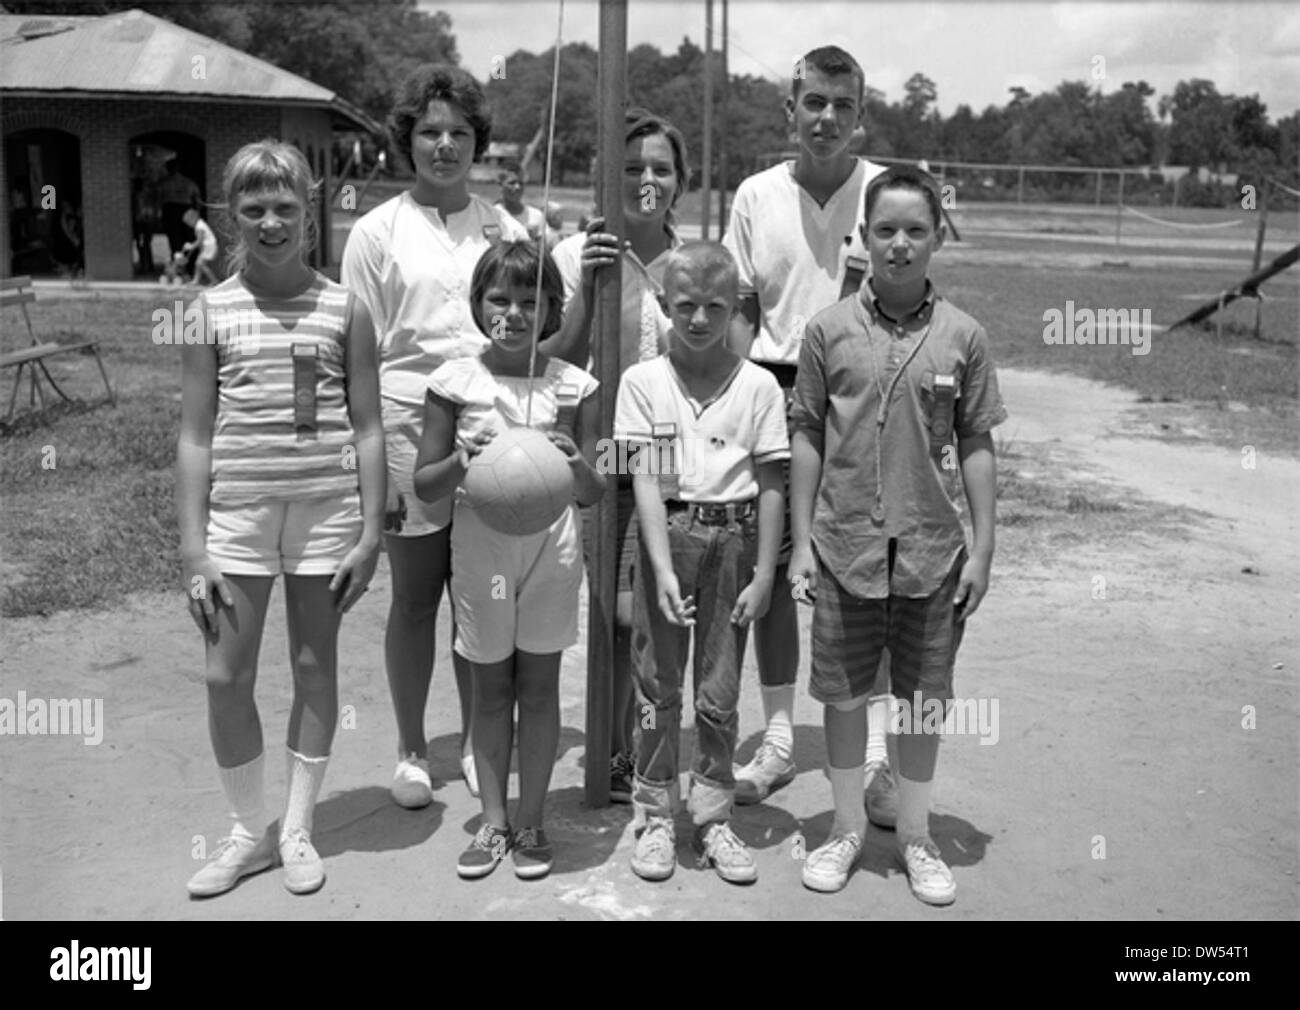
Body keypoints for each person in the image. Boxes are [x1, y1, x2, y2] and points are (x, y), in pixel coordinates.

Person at [789, 165, 1005, 902]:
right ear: (864, 239)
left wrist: (981, 547)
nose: (901, 245)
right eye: (886, 230)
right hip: (844, 545)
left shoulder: (964, 337)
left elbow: (976, 441)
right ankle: (847, 825)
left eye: (917, 230)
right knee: (845, 698)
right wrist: (799, 541)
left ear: (938, 237)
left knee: (919, 701)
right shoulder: (825, 331)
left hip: (931, 552)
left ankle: (914, 831)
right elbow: (807, 436)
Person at [177, 140, 385, 898]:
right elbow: (196, 435)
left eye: (286, 207)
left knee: (311, 666)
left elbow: (367, 426)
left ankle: (295, 828)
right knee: (224, 673)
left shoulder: (344, 307)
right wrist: (193, 549)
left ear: (310, 208)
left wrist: (368, 534)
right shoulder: (212, 311)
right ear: (231, 214)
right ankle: (246, 832)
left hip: (326, 518)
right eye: (255, 208)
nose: (271, 222)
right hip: (237, 520)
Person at [341, 64, 528, 809]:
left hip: (488, 430)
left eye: (458, 131)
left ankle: (483, 747)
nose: (444, 144)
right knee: (417, 598)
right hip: (407, 424)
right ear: (406, 140)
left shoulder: (503, 228)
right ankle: (413, 749)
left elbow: (529, 335)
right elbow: (356, 357)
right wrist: (370, 470)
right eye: (428, 131)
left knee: (481, 597)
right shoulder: (376, 231)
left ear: (477, 141)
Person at [723, 45, 898, 820]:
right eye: (813, 103)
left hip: (864, 390)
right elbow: (741, 308)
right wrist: (736, 396)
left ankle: (880, 758)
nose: (826, 118)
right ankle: (783, 736)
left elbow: (917, 287)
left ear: (861, 115)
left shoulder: (883, 192)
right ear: (788, 111)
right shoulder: (756, 194)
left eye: (842, 105)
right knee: (773, 568)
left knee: (870, 574)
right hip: (776, 383)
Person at [414, 240, 604, 879]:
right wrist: (467, 461)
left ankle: (532, 821)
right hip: (482, 552)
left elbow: (597, 490)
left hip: (552, 552)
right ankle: (493, 824)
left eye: (531, 300)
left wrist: (577, 465)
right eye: (501, 298)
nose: (515, 313)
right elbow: (425, 483)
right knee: (491, 687)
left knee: (540, 687)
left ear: (553, 307)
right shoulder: (454, 382)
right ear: (477, 304)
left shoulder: (575, 386)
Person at [615, 241, 787, 884]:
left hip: (734, 541)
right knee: (657, 684)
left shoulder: (760, 385)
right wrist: (659, 569)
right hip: (671, 533)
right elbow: (646, 483)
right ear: (663, 305)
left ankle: (713, 817)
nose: (698, 319)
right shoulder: (643, 383)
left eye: (715, 306)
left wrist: (766, 572)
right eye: (684, 305)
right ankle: (654, 814)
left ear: (736, 305)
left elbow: (772, 485)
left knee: (717, 691)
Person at [550, 108, 689, 802]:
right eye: (631, 168)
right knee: (602, 611)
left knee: (646, 612)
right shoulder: (575, 257)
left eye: (660, 168)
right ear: (606, 180)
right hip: (594, 453)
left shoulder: (693, 264)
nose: (646, 180)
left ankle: (646, 747)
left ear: (680, 182)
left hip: (663, 458)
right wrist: (586, 289)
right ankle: (605, 747)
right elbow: (551, 361)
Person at [494, 161, 546, 242]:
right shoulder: (493, 215)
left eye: (521, 183)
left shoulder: (536, 216)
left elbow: (542, 249)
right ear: (500, 185)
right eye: (512, 183)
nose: (517, 187)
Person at [159, 157, 201, 257]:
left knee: (174, 238)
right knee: (189, 237)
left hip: (171, 209)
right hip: (187, 208)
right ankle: (189, 264)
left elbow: (158, 199)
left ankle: (178, 264)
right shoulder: (189, 182)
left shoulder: (164, 183)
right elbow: (198, 199)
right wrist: (197, 214)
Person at [181, 207, 220, 286]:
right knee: (198, 264)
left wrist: (191, 246)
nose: (189, 225)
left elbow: (199, 241)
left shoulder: (199, 227)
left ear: (193, 219)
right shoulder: (200, 224)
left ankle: (214, 280)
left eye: (189, 223)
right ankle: (195, 281)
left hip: (209, 247)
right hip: (207, 246)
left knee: (201, 264)